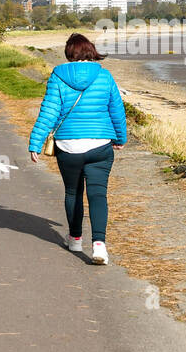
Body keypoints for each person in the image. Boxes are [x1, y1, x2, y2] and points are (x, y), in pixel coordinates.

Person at [28, 32, 127, 264]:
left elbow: (48, 112)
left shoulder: (58, 76)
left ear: (70, 53)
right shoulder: (105, 76)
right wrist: (120, 138)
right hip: (100, 145)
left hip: (68, 145)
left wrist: (35, 142)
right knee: (98, 194)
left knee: (73, 192)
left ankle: (74, 239)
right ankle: (99, 247)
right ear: (91, 51)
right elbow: (116, 111)